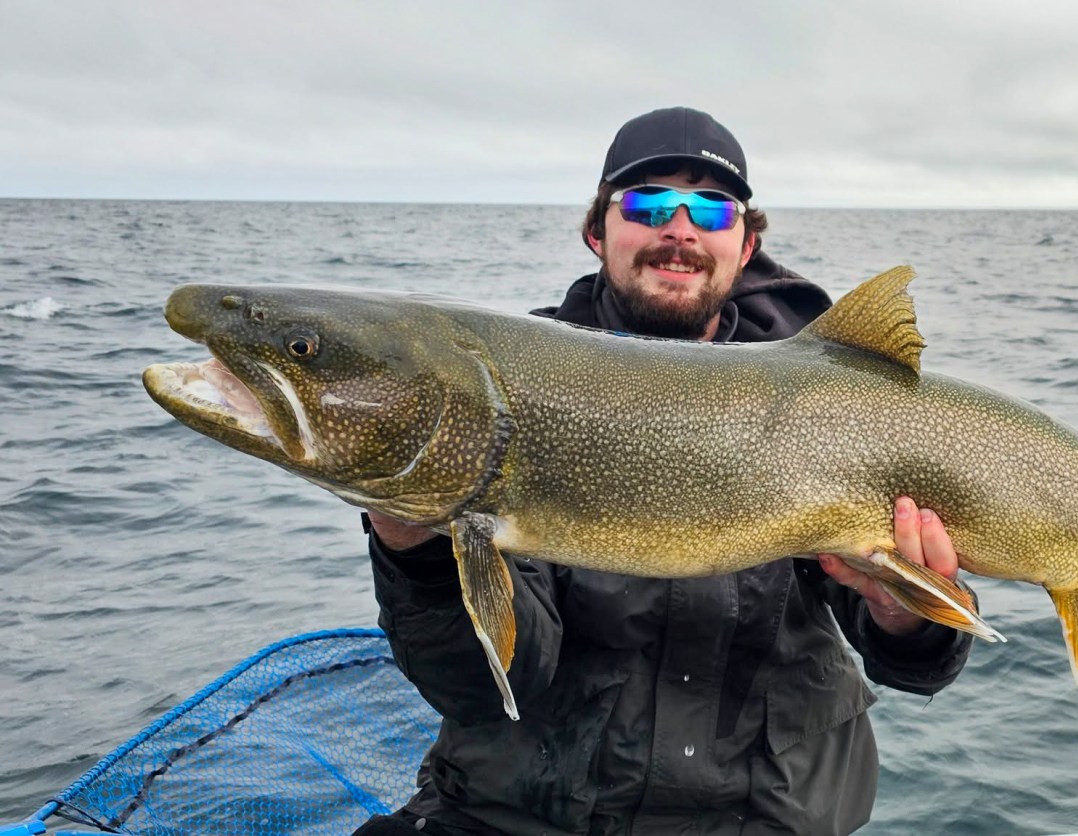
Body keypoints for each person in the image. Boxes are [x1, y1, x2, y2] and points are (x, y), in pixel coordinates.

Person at [355, 107, 975, 836]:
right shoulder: (507, 387)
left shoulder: (834, 405)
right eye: (648, 204)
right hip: (520, 817)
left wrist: (907, 614)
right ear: (598, 231)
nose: (679, 229)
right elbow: (486, 686)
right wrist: (418, 551)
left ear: (745, 245)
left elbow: (914, 667)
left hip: (765, 819)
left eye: (712, 210)